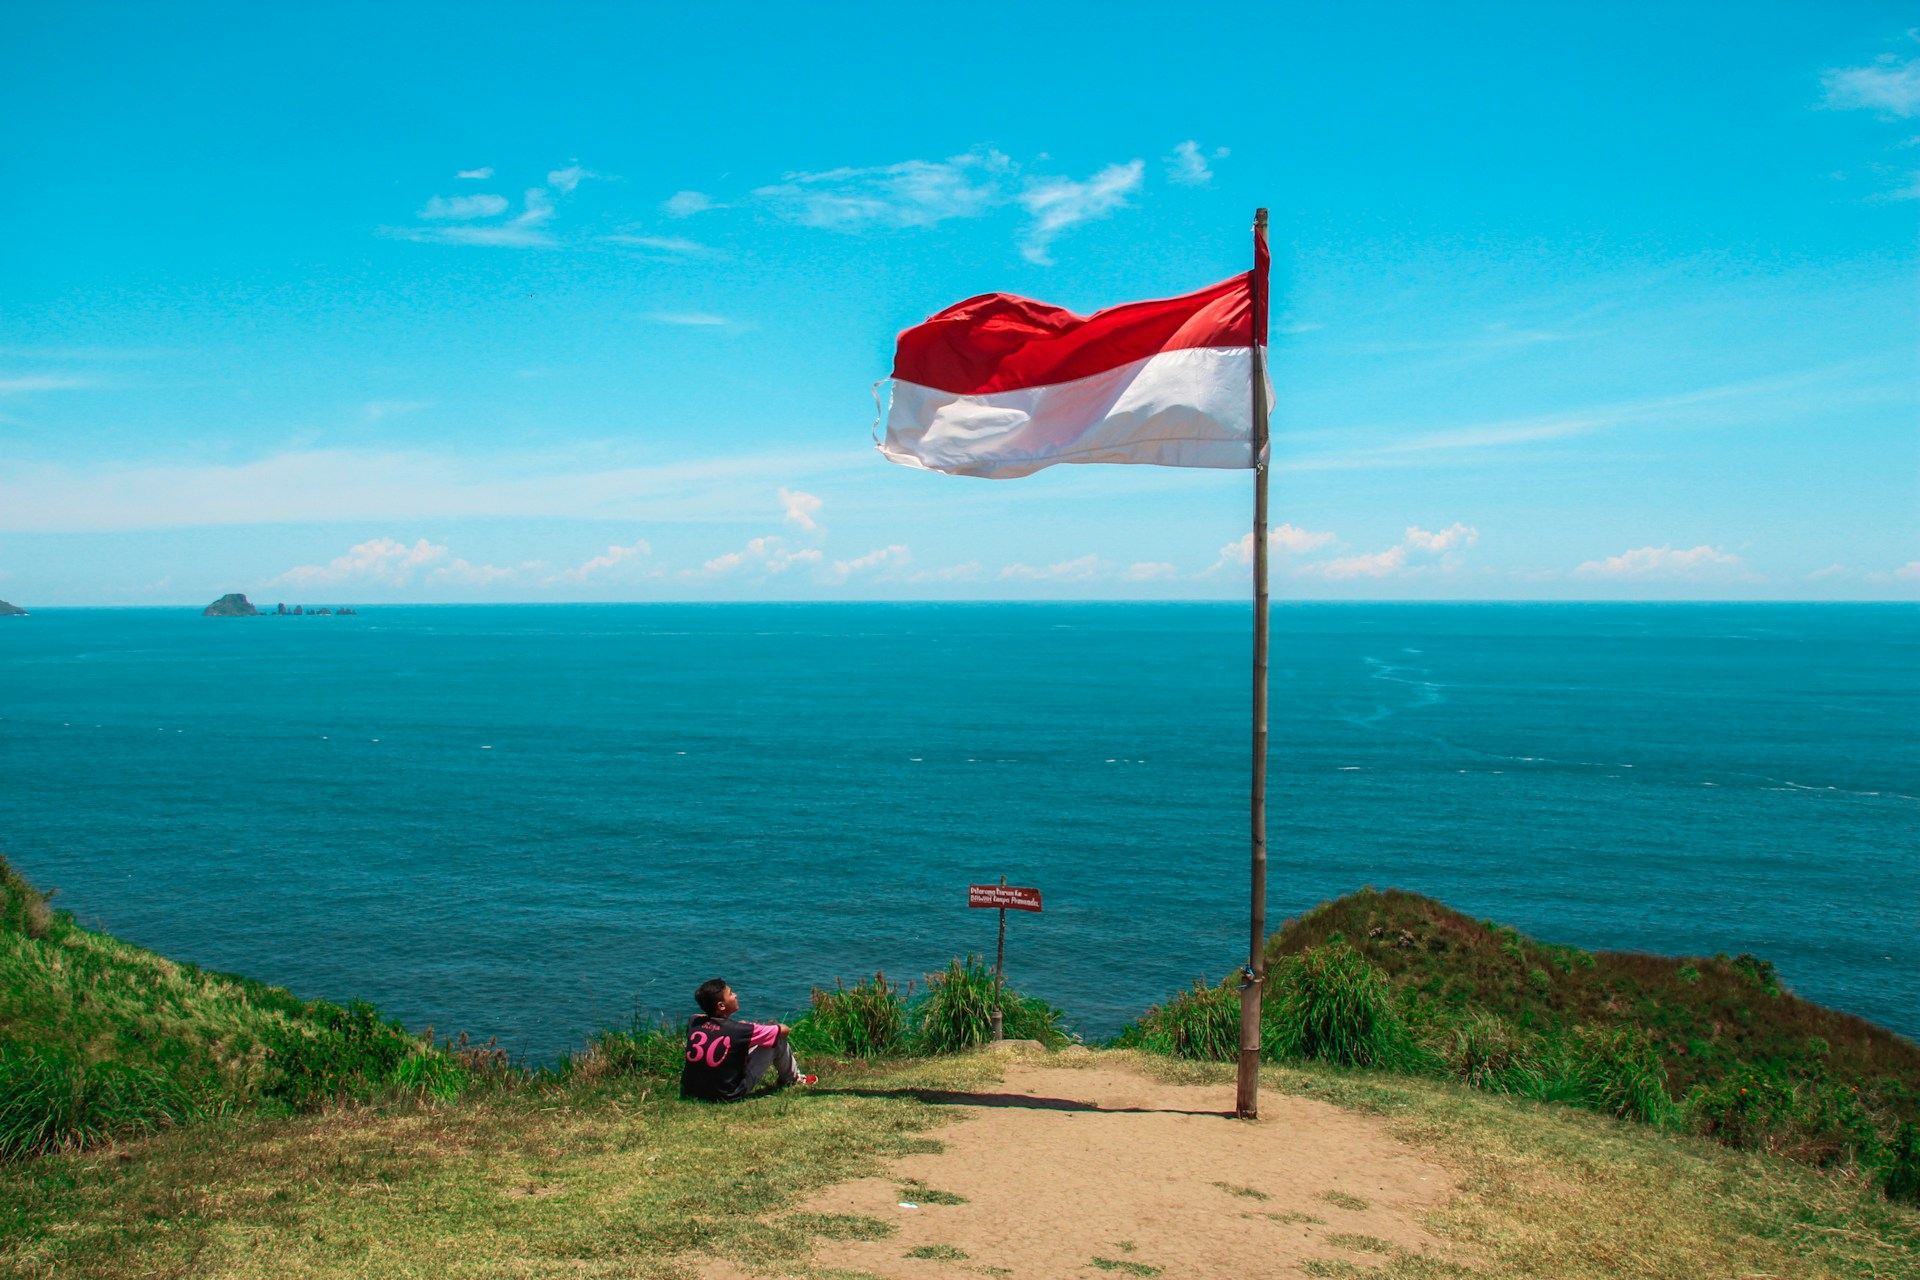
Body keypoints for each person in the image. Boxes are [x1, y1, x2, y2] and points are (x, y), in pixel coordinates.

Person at [680, 978, 817, 1101]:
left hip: (691, 1091)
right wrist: (752, 1028)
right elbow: (784, 1031)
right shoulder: (741, 1030)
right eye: (731, 993)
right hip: (727, 1093)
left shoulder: (694, 1021)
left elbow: (717, 1031)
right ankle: (793, 1080)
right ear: (721, 1006)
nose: (735, 995)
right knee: (776, 1040)